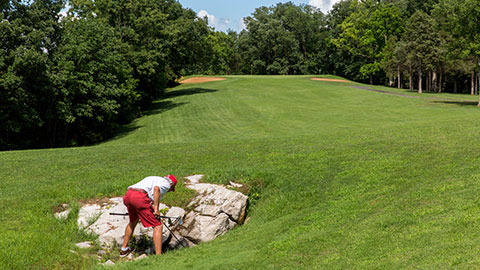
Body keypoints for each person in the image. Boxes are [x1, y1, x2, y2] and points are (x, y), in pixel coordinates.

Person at [120, 175, 177, 257]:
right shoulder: (167, 184)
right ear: (171, 185)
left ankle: (124, 249)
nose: (169, 191)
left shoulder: (153, 178)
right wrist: (156, 209)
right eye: (171, 189)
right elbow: (156, 189)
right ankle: (159, 257)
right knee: (158, 226)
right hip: (139, 197)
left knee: (133, 221)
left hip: (128, 195)